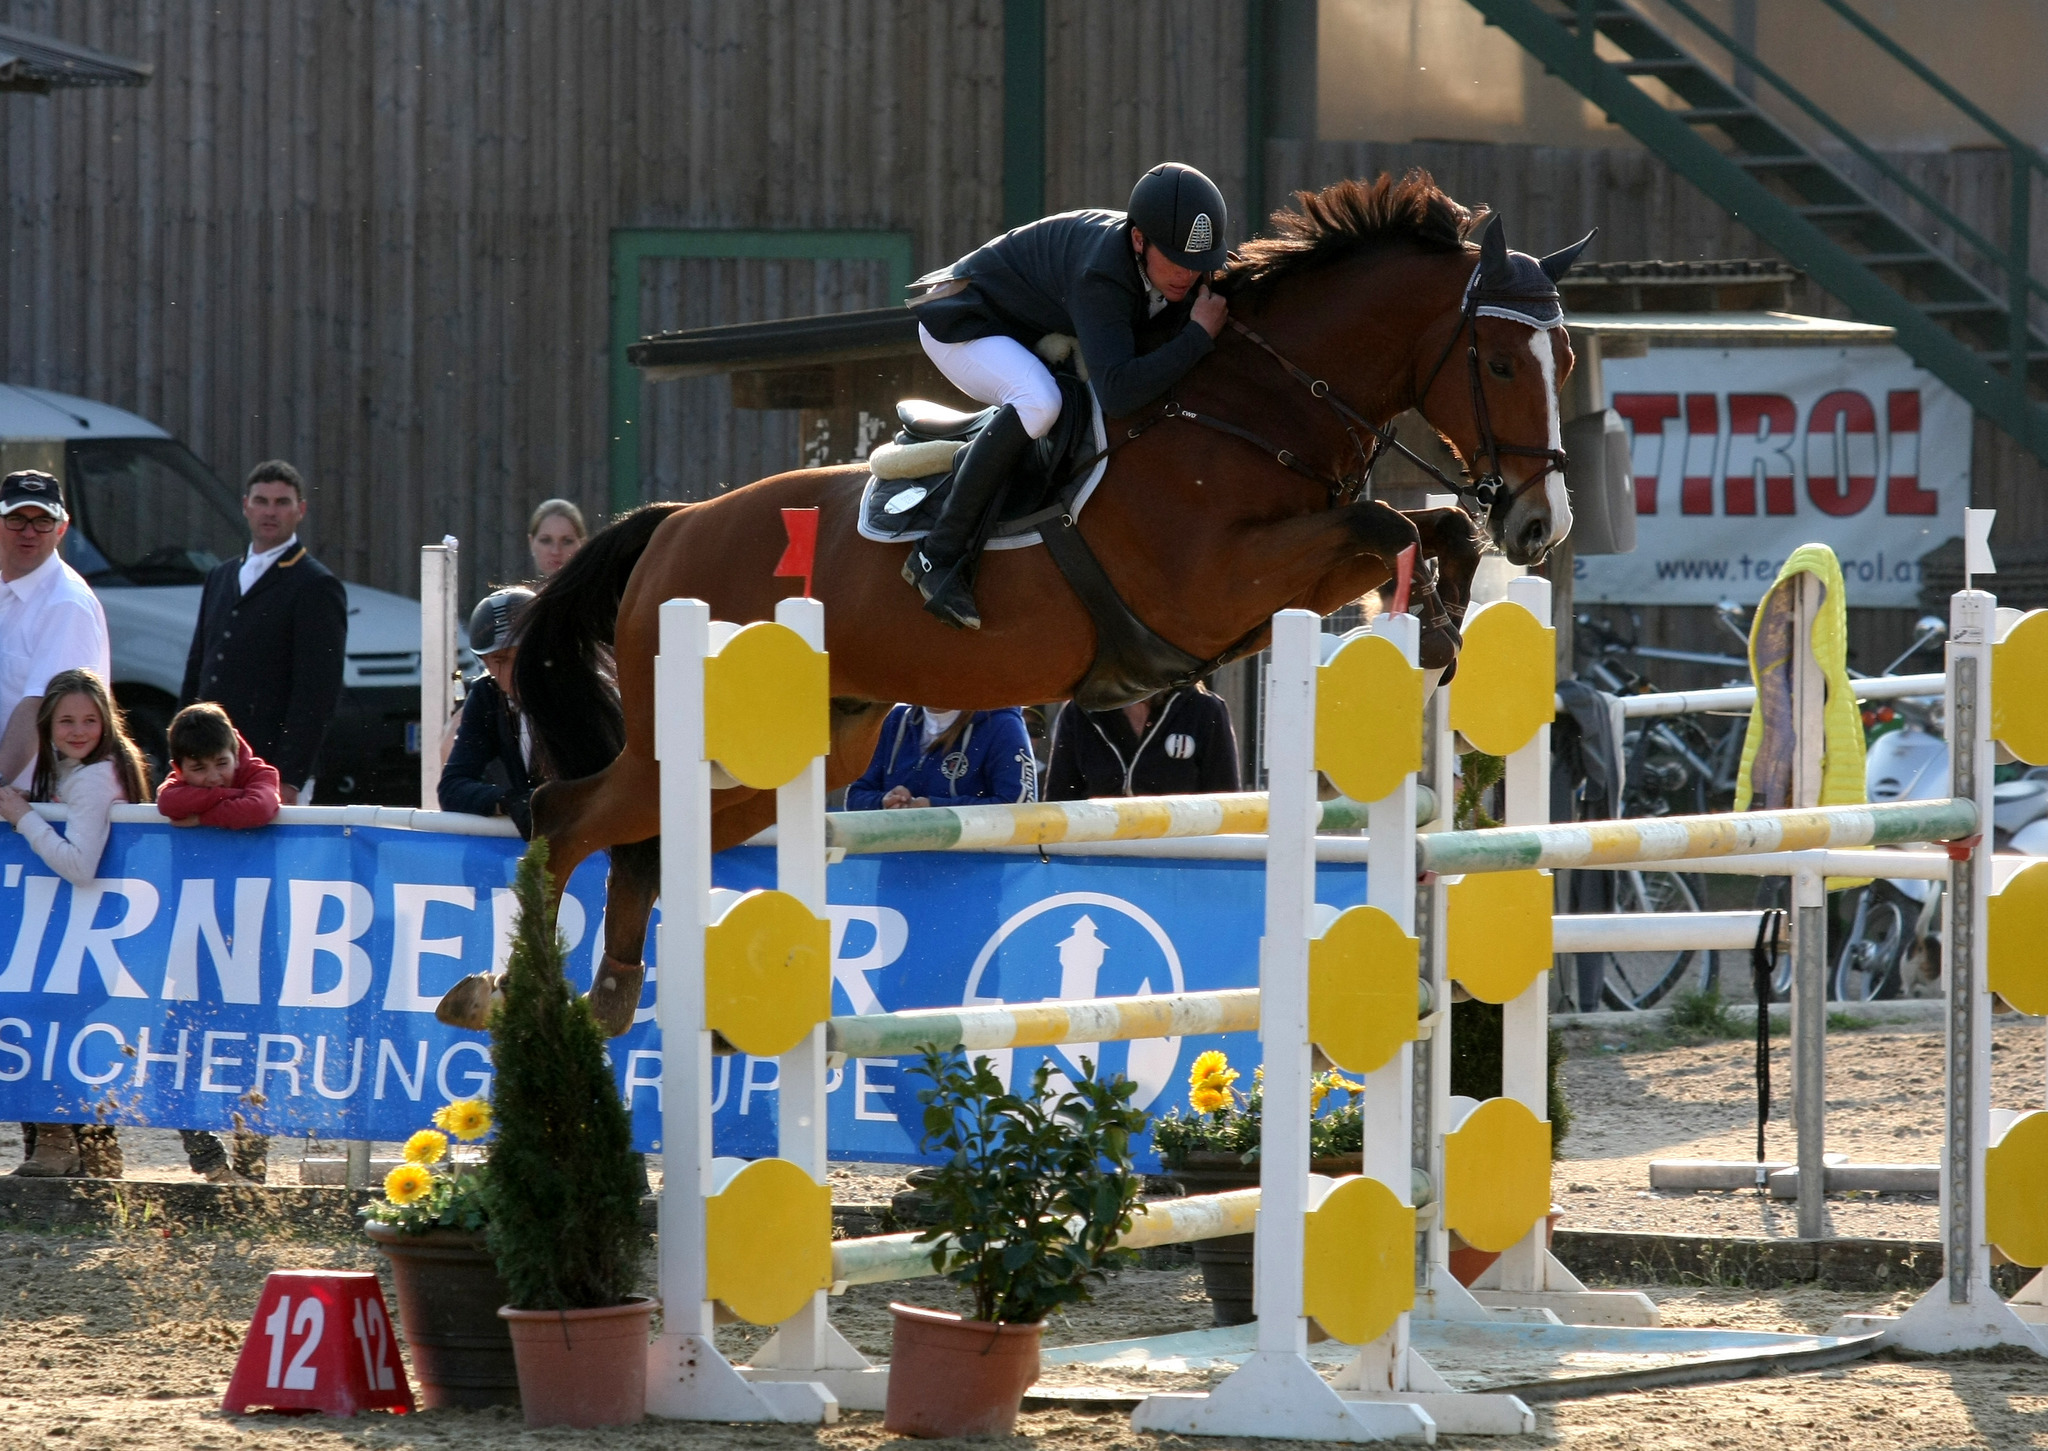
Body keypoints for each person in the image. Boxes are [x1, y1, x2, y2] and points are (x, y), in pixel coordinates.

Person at [902, 161, 1233, 630]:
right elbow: (1118, 394)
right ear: (1139, 241)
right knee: (1040, 402)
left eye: (1198, 264)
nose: (1189, 275)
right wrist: (1198, 338)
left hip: (1023, 325)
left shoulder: (1164, 257)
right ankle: (937, 555)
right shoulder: (1101, 276)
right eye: (1177, 261)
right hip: (963, 327)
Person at [3, 669, 149, 1178]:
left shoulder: (92, 778)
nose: (78, 730)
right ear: (47, 727)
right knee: (68, 1032)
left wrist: (23, 818)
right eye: (66, 720)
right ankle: (98, 1160)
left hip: (92, 932)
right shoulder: (81, 771)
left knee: (43, 1025)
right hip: (89, 932)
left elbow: (80, 865)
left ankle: (59, 1146)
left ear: (107, 722)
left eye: (89, 719)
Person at [153, 700, 281, 1183]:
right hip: (196, 941)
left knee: (255, 1052)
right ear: (178, 766)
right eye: (197, 769)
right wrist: (224, 807)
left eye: (221, 765)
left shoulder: (259, 772)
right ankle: (207, 1161)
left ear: (236, 753)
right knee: (177, 1051)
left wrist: (205, 815)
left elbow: (264, 806)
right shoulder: (183, 785)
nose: (211, 777)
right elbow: (169, 803)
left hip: (255, 939)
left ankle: (252, 1166)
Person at [180, 460, 348, 805]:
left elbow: (316, 694)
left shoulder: (315, 585)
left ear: (300, 510)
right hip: (209, 763)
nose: (270, 512)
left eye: (282, 502)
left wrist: (289, 778)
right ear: (246, 506)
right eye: (261, 501)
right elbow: (198, 668)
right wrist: (183, 755)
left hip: (270, 768)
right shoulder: (221, 577)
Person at [0, 470, 110, 788]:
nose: (29, 532)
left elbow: (39, 707)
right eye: (17, 518)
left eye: (43, 520)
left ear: (62, 528)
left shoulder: (67, 603)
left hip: (41, 808)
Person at [439, 587, 539, 835]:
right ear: (485, 664)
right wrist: (508, 801)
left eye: (524, 655)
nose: (515, 672)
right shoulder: (488, 695)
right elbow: (452, 787)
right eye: (501, 660)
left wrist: (546, 801)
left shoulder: (583, 689)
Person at [1044, 683, 1241, 801]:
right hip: (1101, 860)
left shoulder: (1204, 710)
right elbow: (1059, 803)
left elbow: (1225, 803)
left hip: (1180, 860)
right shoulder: (1081, 711)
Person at [844, 704, 1036, 811]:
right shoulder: (895, 720)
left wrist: (934, 808)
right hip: (896, 870)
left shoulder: (1001, 725)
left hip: (972, 873)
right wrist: (884, 801)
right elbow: (854, 796)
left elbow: (1019, 808)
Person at [528, 498, 587, 579]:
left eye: (567, 541)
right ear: (531, 543)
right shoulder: (519, 591)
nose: (556, 551)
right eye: (546, 540)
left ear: (582, 545)